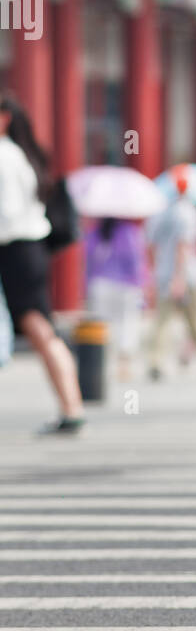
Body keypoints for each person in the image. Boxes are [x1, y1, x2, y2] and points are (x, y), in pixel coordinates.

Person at [0, 91, 86, 432]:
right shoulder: (21, 155)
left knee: (40, 329)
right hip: (28, 250)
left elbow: (5, 213)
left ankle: (72, 407)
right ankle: (71, 407)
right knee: (42, 330)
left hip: (17, 250)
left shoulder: (4, 156)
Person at [145, 167, 196, 380]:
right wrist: (178, 278)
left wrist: (155, 274)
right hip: (188, 275)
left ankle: (156, 362)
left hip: (167, 274)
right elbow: (183, 246)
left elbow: (151, 246)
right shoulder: (189, 212)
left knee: (163, 321)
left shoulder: (160, 212)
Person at [84, 217, 149, 382]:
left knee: (102, 326)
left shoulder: (94, 232)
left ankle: (101, 365)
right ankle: (123, 365)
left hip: (100, 285)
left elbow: (89, 260)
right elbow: (135, 260)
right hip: (125, 286)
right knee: (126, 323)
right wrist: (143, 284)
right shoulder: (128, 231)